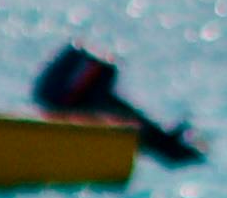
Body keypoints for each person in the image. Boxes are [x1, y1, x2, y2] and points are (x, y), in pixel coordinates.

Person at [32, 41, 203, 165]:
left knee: (128, 118)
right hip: (70, 98)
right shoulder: (92, 78)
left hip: (71, 97)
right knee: (124, 116)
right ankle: (172, 146)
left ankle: (172, 146)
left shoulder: (92, 78)